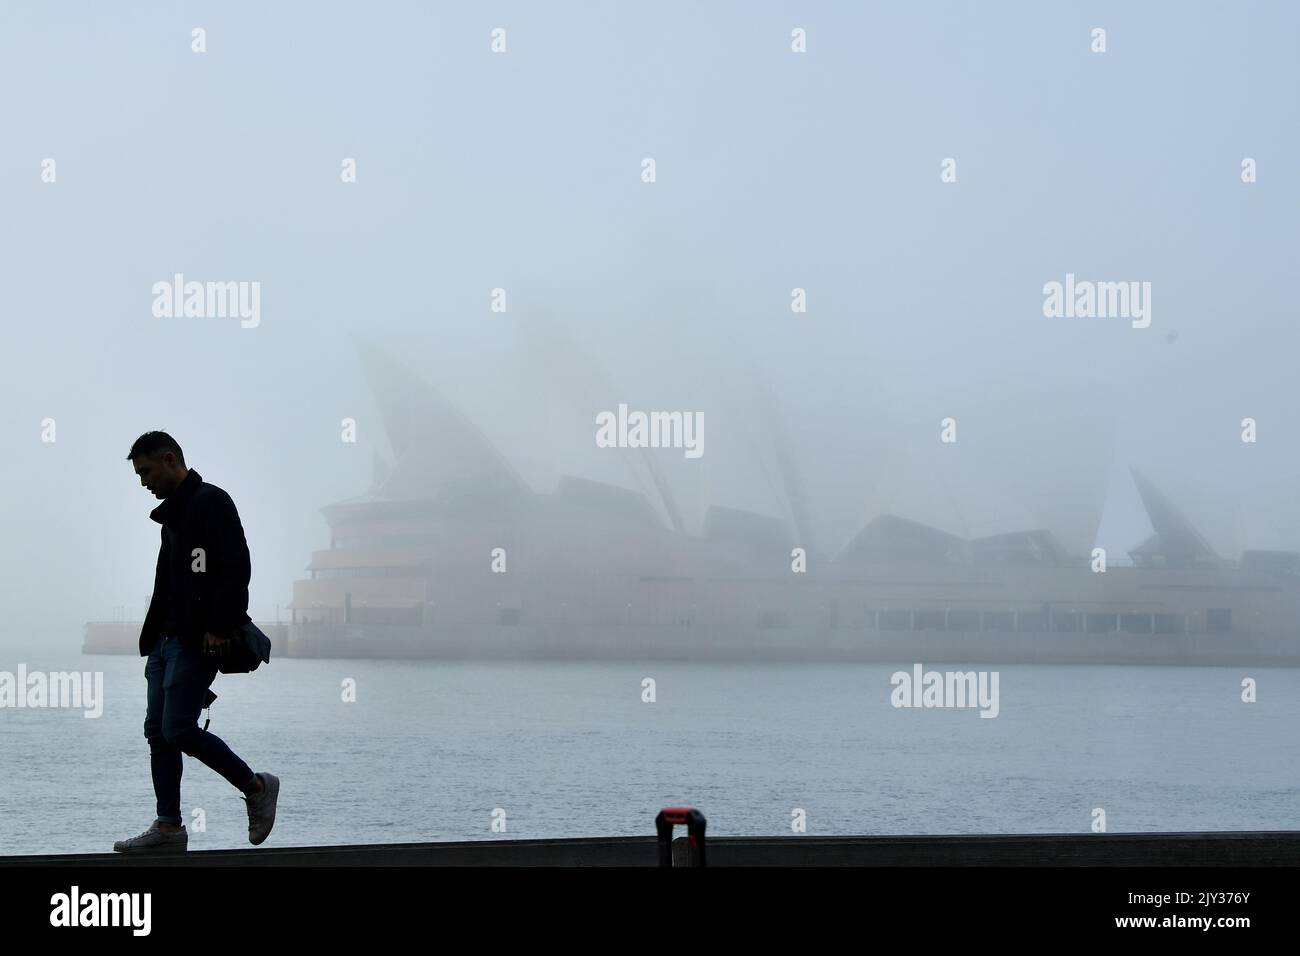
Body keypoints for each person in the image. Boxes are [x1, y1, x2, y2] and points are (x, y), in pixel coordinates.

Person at [114, 431, 279, 853]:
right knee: (157, 732)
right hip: (165, 642)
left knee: (179, 729)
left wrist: (219, 627)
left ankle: (256, 786)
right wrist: (153, 636)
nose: (143, 482)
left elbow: (235, 566)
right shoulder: (172, 516)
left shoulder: (211, 501)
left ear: (170, 460)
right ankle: (168, 828)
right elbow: (170, 578)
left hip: (196, 639)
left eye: (146, 471)